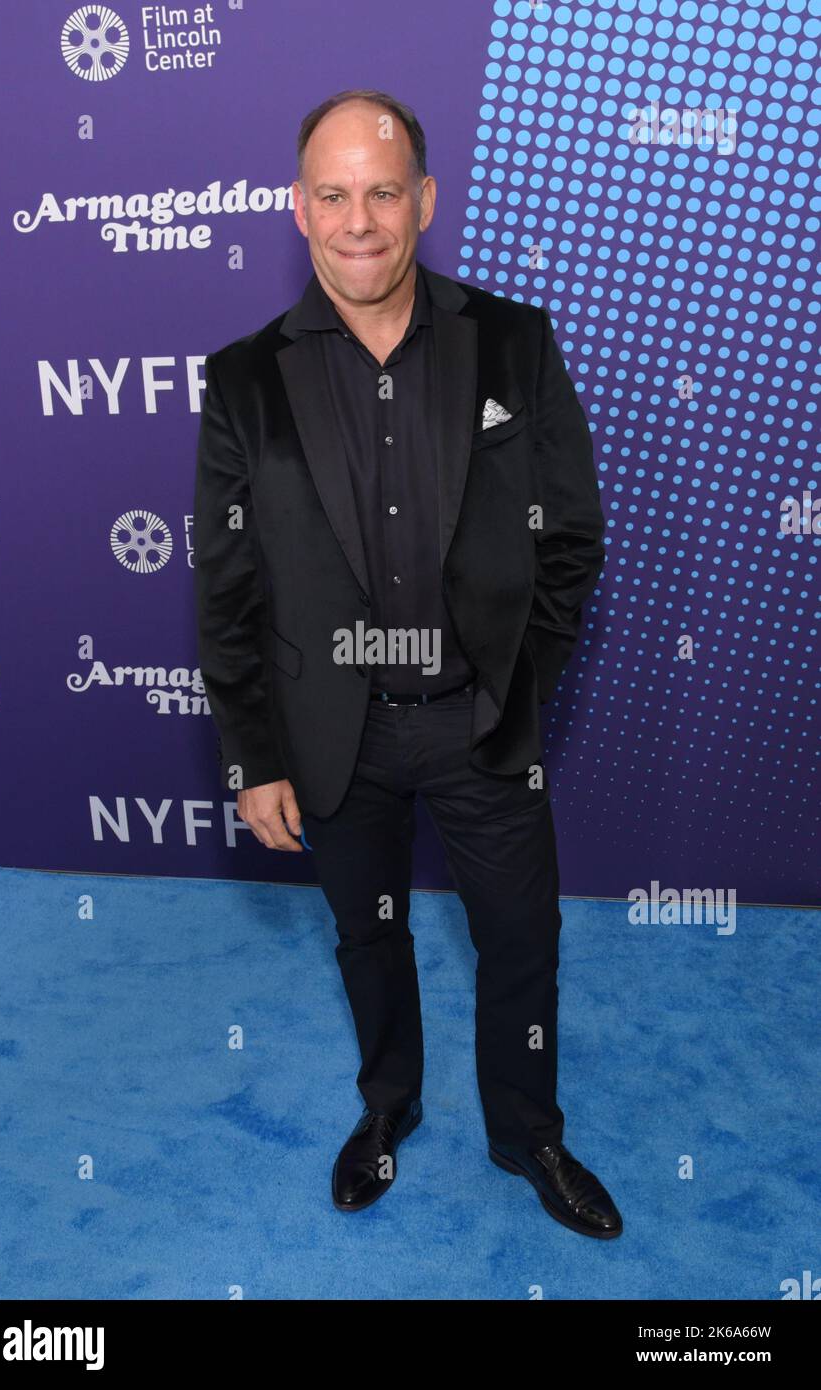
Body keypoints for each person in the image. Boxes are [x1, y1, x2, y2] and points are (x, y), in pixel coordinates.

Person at [193, 89, 621, 1238]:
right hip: (336, 732)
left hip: (480, 723)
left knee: (523, 939)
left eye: (383, 191)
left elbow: (570, 536)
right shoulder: (241, 381)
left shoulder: (513, 343)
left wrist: (516, 685)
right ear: (299, 209)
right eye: (332, 194)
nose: (359, 220)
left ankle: (528, 1130)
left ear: (424, 200)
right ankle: (386, 1108)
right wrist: (255, 756)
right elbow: (227, 588)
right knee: (367, 936)